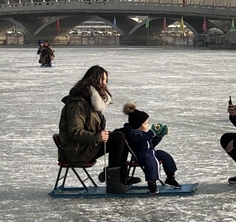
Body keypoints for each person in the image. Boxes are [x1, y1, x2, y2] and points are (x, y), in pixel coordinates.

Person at [58, 65, 131, 193]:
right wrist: (98, 137)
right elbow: (75, 132)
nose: (105, 83)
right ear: (93, 80)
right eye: (102, 80)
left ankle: (121, 178)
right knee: (118, 138)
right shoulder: (78, 104)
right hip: (77, 150)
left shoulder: (90, 102)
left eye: (106, 80)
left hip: (87, 146)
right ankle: (113, 182)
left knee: (123, 134)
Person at [121, 103, 181, 195]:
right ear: (137, 125)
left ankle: (170, 177)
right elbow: (141, 139)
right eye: (145, 123)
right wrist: (152, 133)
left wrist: (159, 135)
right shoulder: (133, 134)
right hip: (142, 155)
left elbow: (151, 143)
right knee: (152, 162)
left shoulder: (144, 134)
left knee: (165, 156)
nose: (147, 125)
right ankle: (151, 183)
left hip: (150, 152)